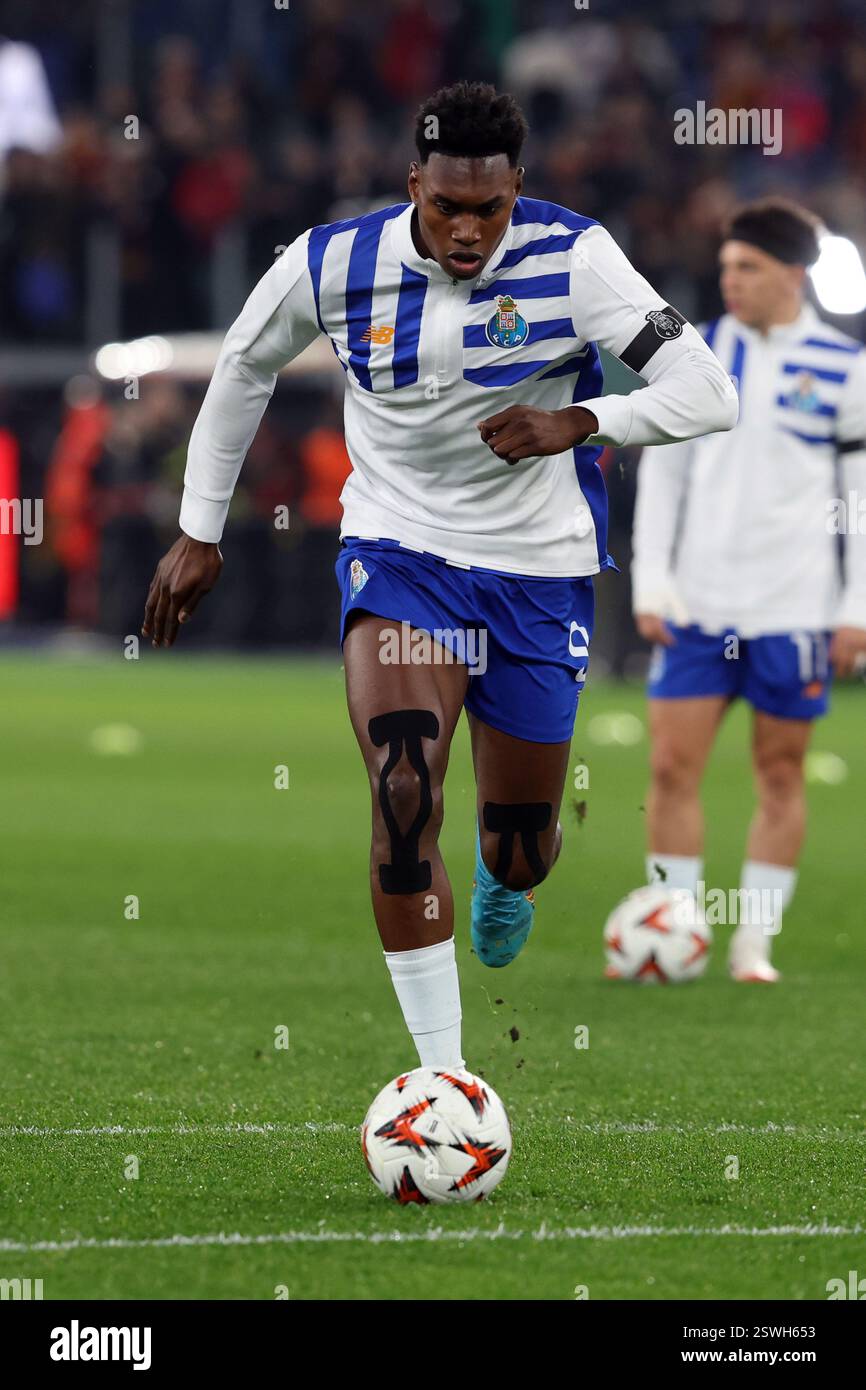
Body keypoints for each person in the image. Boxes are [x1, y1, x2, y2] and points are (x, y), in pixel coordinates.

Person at [143, 81, 736, 1069]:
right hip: (399, 554)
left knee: (520, 843)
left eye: (488, 209)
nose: (467, 231)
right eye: (446, 207)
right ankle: (440, 1074)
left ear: (517, 191)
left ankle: (506, 874)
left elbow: (705, 390)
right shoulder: (330, 263)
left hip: (537, 574)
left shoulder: (575, 259)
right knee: (404, 784)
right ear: (412, 186)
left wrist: (582, 419)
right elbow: (243, 365)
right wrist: (199, 528)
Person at [632, 198, 866, 983]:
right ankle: (674, 929)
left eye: (748, 269)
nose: (730, 281)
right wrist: (653, 583)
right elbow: (662, 476)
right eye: (726, 267)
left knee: (779, 774)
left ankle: (751, 943)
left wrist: (854, 608)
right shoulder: (695, 357)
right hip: (699, 605)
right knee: (670, 768)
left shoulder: (845, 367)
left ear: (794, 275)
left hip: (795, 610)